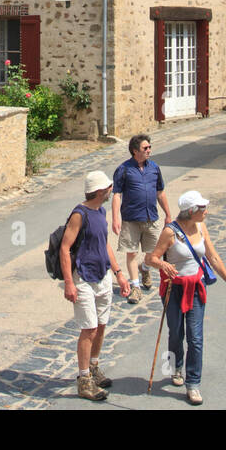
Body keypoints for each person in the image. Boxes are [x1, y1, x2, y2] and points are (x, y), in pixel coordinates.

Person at [145, 190, 226, 405]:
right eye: (202, 208)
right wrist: (163, 264)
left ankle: (193, 384)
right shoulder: (170, 232)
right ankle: (174, 368)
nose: (206, 211)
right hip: (173, 289)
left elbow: (213, 256)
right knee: (175, 332)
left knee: (195, 338)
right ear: (191, 211)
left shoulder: (201, 227)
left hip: (196, 288)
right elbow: (151, 258)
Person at [59, 171, 132, 401]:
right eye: (109, 188)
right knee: (89, 329)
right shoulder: (80, 215)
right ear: (101, 191)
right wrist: (69, 283)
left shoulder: (100, 211)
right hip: (83, 278)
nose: (111, 191)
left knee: (101, 325)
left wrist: (119, 273)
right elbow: (64, 248)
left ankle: (93, 367)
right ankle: (83, 380)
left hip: (102, 277)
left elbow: (105, 245)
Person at [112, 134, 171, 303]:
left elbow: (160, 192)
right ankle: (135, 287)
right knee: (131, 253)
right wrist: (115, 218)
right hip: (131, 219)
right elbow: (117, 194)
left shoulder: (154, 168)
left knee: (154, 254)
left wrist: (168, 214)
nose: (149, 150)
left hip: (151, 217)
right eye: (145, 148)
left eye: (149, 147)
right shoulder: (123, 169)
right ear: (135, 151)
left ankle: (144, 268)